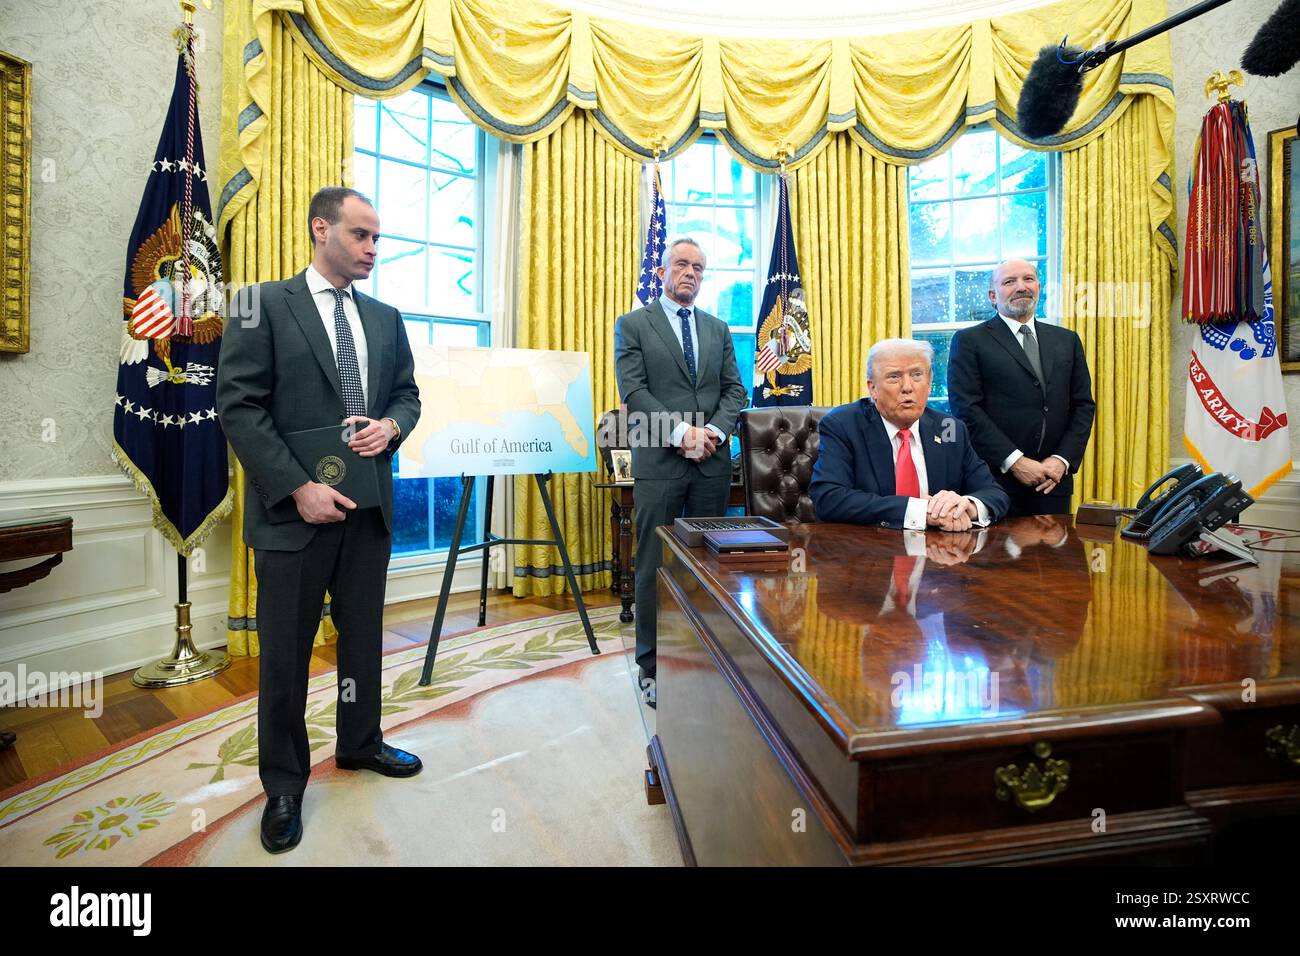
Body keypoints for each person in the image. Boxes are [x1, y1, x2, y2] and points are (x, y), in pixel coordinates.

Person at [216, 186, 423, 854]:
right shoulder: (262, 304)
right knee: (285, 655)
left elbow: (407, 396)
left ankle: (360, 743)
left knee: (362, 639)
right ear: (320, 229)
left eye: (376, 238)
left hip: (367, 511)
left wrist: (392, 426)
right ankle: (283, 782)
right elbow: (240, 407)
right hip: (295, 516)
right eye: (360, 235)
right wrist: (296, 487)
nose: (371, 249)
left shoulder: (387, 319)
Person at [613, 237, 747, 708]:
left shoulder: (718, 328)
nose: (690, 273)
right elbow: (635, 393)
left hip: (712, 463)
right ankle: (651, 666)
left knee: (707, 565)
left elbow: (735, 389)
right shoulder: (633, 325)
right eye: (682, 265)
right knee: (653, 564)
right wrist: (680, 434)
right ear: (663, 271)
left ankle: (703, 654)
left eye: (698, 267)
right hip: (661, 461)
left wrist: (709, 431)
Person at [947, 259, 1096, 517]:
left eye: (1028, 279)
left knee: (1058, 557)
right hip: (996, 482)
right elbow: (966, 410)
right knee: (997, 556)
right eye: (1009, 282)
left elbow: (1083, 405)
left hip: (1053, 483)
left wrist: (1061, 460)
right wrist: (1015, 462)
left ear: (1039, 287)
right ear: (993, 296)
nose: (1021, 287)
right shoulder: (970, 341)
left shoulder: (1067, 340)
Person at [810, 338, 1009, 528]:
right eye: (894, 377)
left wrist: (967, 506)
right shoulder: (843, 425)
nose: (907, 387)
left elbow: (993, 493)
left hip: (942, 553)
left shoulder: (950, 428)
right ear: (873, 388)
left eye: (916, 375)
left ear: (929, 383)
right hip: (870, 552)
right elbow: (829, 498)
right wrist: (920, 511)